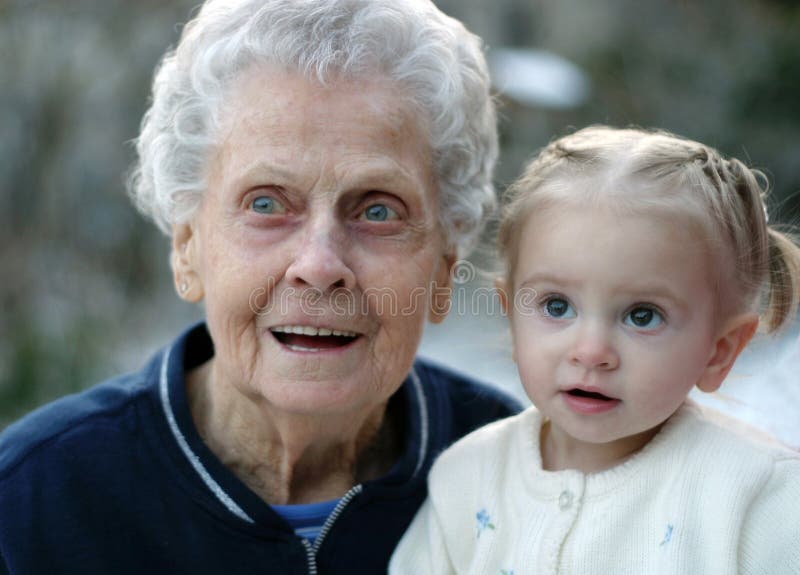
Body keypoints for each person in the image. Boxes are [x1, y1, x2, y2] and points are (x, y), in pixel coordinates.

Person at [0, 1, 522, 573]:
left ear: (445, 266)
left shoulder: (527, 474)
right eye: (267, 203)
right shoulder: (33, 501)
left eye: (378, 210)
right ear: (187, 246)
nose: (320, 265)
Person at [390, 126, 800, 574]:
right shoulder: (466, 480)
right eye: (557, 306)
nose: (591, 352)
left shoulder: (759, 499)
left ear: (718, 351)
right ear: (512, 316)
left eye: (642, 315)